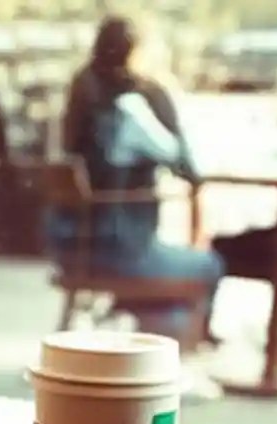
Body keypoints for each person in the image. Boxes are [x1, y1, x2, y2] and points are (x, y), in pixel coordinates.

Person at [48, 16, 224, 357]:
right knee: (208, 265)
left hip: (71, 249)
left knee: (175, 265)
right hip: (122, 251)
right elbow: (188, 168)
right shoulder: (138, 103)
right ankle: (184, 349)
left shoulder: (82, 91)